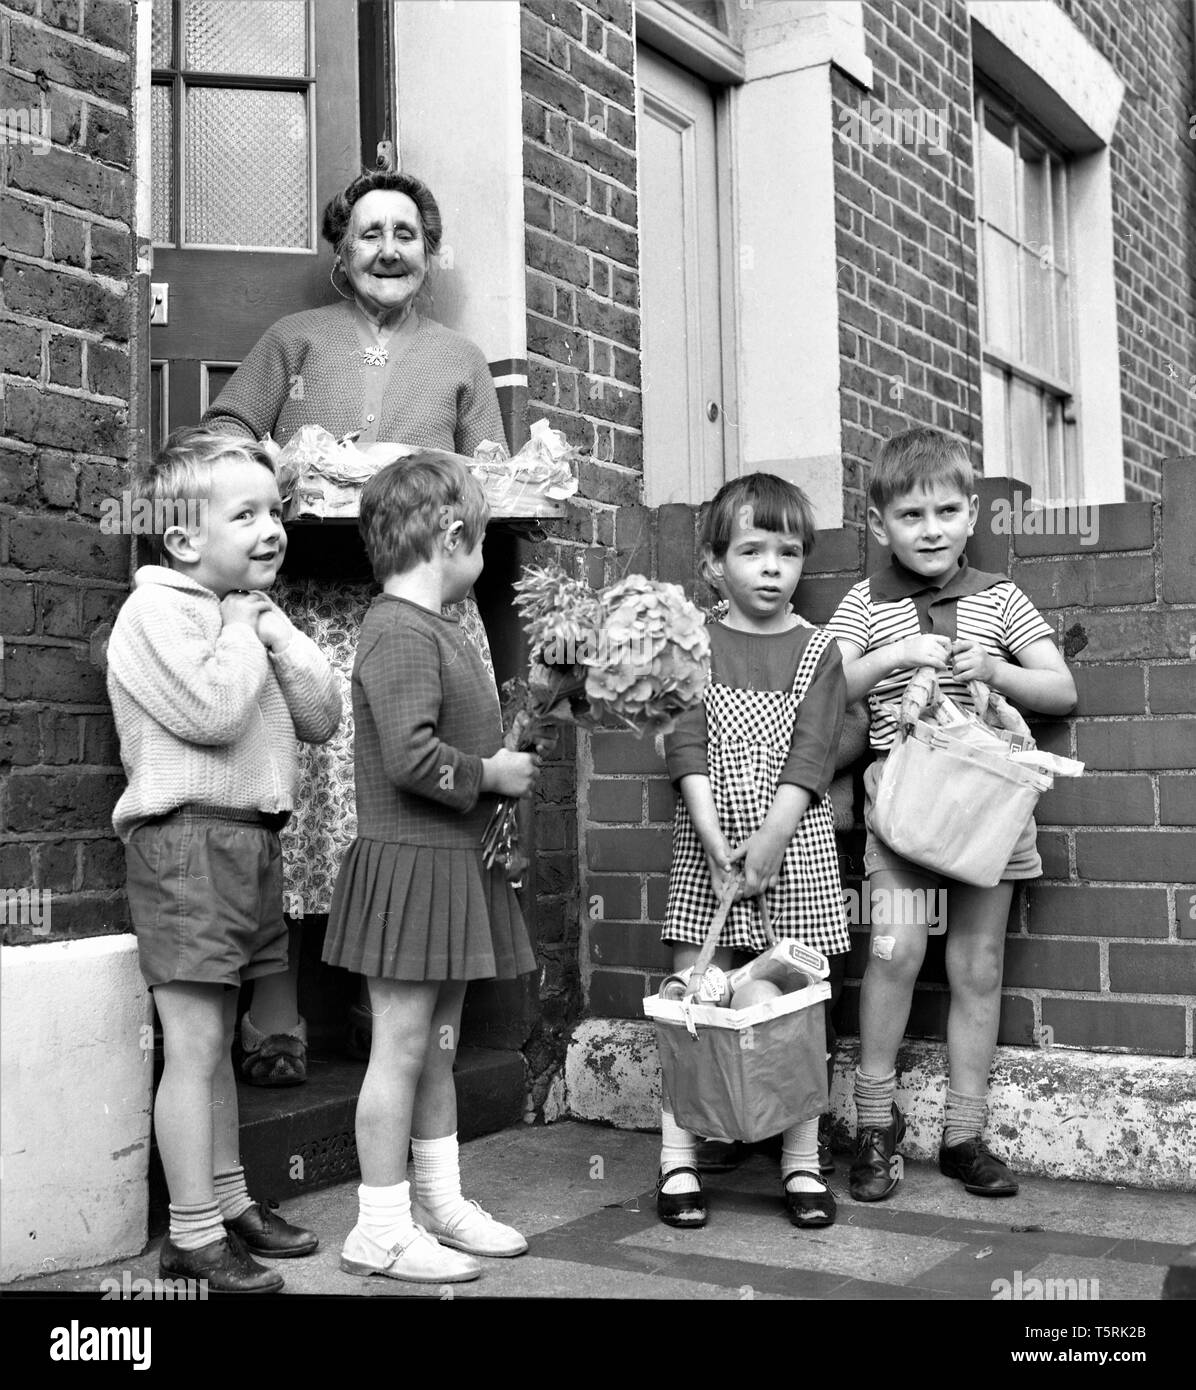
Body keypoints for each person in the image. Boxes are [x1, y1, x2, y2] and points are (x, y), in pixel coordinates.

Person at [202, 169, 507, 1084]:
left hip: (425, 616)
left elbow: (489, 478)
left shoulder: (460, 357)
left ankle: (391, 1008)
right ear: (341, 251)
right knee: (304, 802)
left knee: (402, 808)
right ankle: (280, 1015)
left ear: (429, 250)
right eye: (369, 233)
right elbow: (219, 434)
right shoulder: (293, 341)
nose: (388, 249)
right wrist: (277, 459)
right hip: (313, 609)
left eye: (406, 234)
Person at [105, 428, 342, 1291]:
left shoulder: (246, 616)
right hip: (187, 843)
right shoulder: (156, 612)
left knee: (225, 1044)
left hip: (250, 845)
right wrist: (243, 632)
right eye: (245, 514)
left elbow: (321, 716)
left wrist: (274, 629)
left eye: (275, 510)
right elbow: (211, 712)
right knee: (195, 1044)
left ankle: (231, 1200)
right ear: (181, 538)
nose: (271, 527)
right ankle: (191, 1233)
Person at [824, 426, 1076, 1203]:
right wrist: (899, 659)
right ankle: (875, 1124)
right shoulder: (866, 602)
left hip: (988, 817)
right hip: (904, 815)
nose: (929, 529)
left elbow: (1060, 690)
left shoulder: (1001, 598)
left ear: (972, 515)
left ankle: (965, 1136)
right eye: (910, 515)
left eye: (944, 511)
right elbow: (826, 689)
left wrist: (994, 669)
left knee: (977, 967)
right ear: (878, 525)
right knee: (894, 952)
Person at [325, 454, 542, 1283]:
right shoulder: (397, 631)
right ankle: (378, 1225)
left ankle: (440, 1201)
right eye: (482, 541)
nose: (482, 558)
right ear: (453, 536)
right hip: (412, 869)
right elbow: (414, 758)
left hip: (446, 866)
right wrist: (490, 775)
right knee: (402, 1046)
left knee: (436, 1047)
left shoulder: (435, 629)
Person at [657, 473, 850, 1230]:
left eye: (790, 552)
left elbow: (812, 756)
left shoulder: (819, 650)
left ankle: (800, 1164)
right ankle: (680, 1162)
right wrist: (713, 841)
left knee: (794, 1010)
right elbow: (685, 743)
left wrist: (769, 841)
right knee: (694, 1000)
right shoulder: (690, 644)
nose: (773, 566)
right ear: (713, 564)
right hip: (708, 839)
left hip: (792, 844)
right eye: (752, 550)